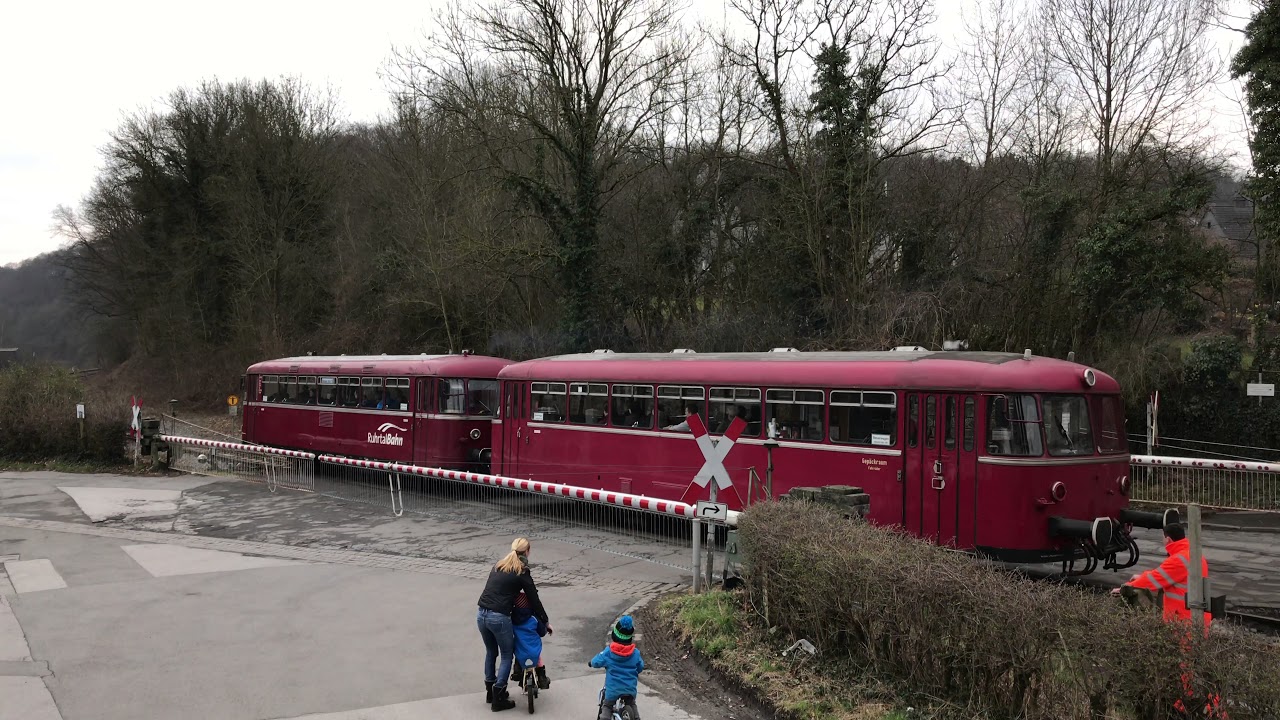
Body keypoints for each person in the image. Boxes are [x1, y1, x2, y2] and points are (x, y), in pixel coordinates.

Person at [477, 538, 552, 711]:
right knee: (506, 655)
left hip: (481, 613)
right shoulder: (522, 571)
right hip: (498, 617)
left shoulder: (499, 565)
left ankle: (490, 691)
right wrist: (545, 621)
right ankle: (499, 697)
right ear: (527, 551)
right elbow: (533, 598)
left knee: (491, 652)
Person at [1112, 522, 1210, 627]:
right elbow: (1164, 575)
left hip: (1183, 620)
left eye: (1163, 538)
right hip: (1195, 617)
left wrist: (1126, 587)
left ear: (1168, 539)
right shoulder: (1191, 554)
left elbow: (1153, 579)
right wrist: (1140, 577)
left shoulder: (1178, 559)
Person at [589, 615, 645, 720]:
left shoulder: (609, 651)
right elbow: (640, 666)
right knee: (632, 704)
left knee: (607, 706)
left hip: (613, 690)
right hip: (630, 689)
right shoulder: (636, 653)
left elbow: (597, 661)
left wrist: (591, 663)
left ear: (614, 635)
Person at [508, 590, 551, 689]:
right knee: (538, 658)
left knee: (518, 653)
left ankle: (517, 672)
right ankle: (542, 678)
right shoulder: (534, 619)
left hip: (520, 650)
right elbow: (542, 632)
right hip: (533, 650)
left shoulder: (512, 620)